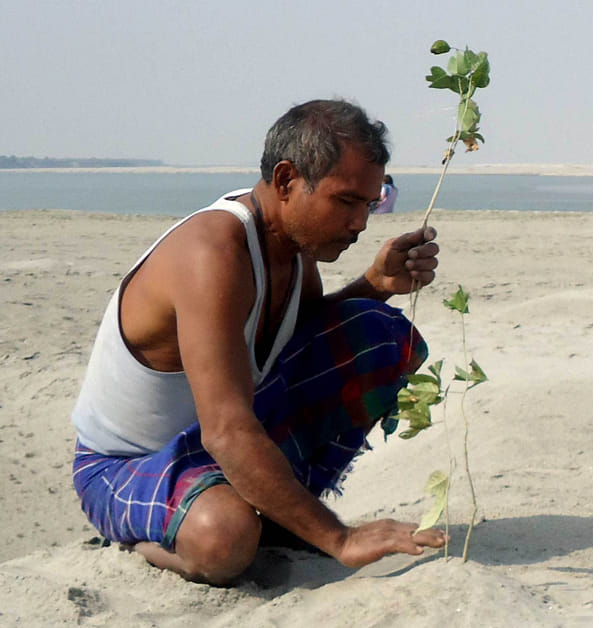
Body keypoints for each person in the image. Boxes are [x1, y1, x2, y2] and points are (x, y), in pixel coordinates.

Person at [70, 99, 447, 585]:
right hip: (126, 466)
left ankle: (275, 517)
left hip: (213, 449)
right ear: (287, 180)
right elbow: (226, 430)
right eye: (346, 201)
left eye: (369, 205)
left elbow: (296, 345)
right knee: (225, 536)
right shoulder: (213, 252)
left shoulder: (292, 245)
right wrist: (339, 539)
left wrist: (375, 285)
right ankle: (154, 540)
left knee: (379, 334)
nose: (360, 223)